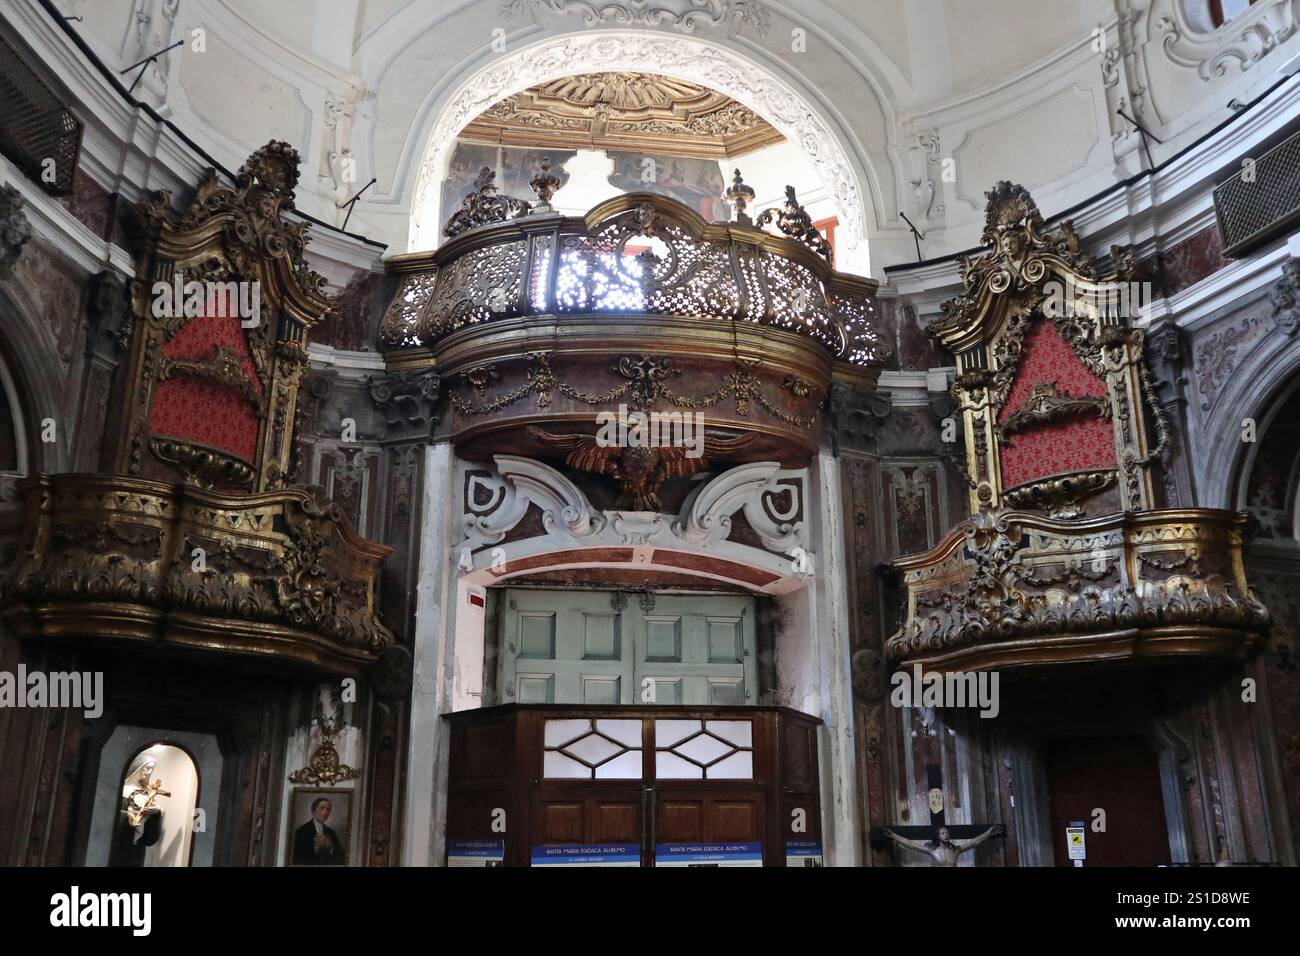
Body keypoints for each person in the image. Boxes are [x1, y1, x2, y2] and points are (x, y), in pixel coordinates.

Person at [292, 797, 345, 865]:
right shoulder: (301, 831)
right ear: (313, 811)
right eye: (322, 808)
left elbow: (342, 858)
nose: (325, 812)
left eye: (328, 810)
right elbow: (295, 859)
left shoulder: (331, 832)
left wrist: (330, 847)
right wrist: (316, 849)